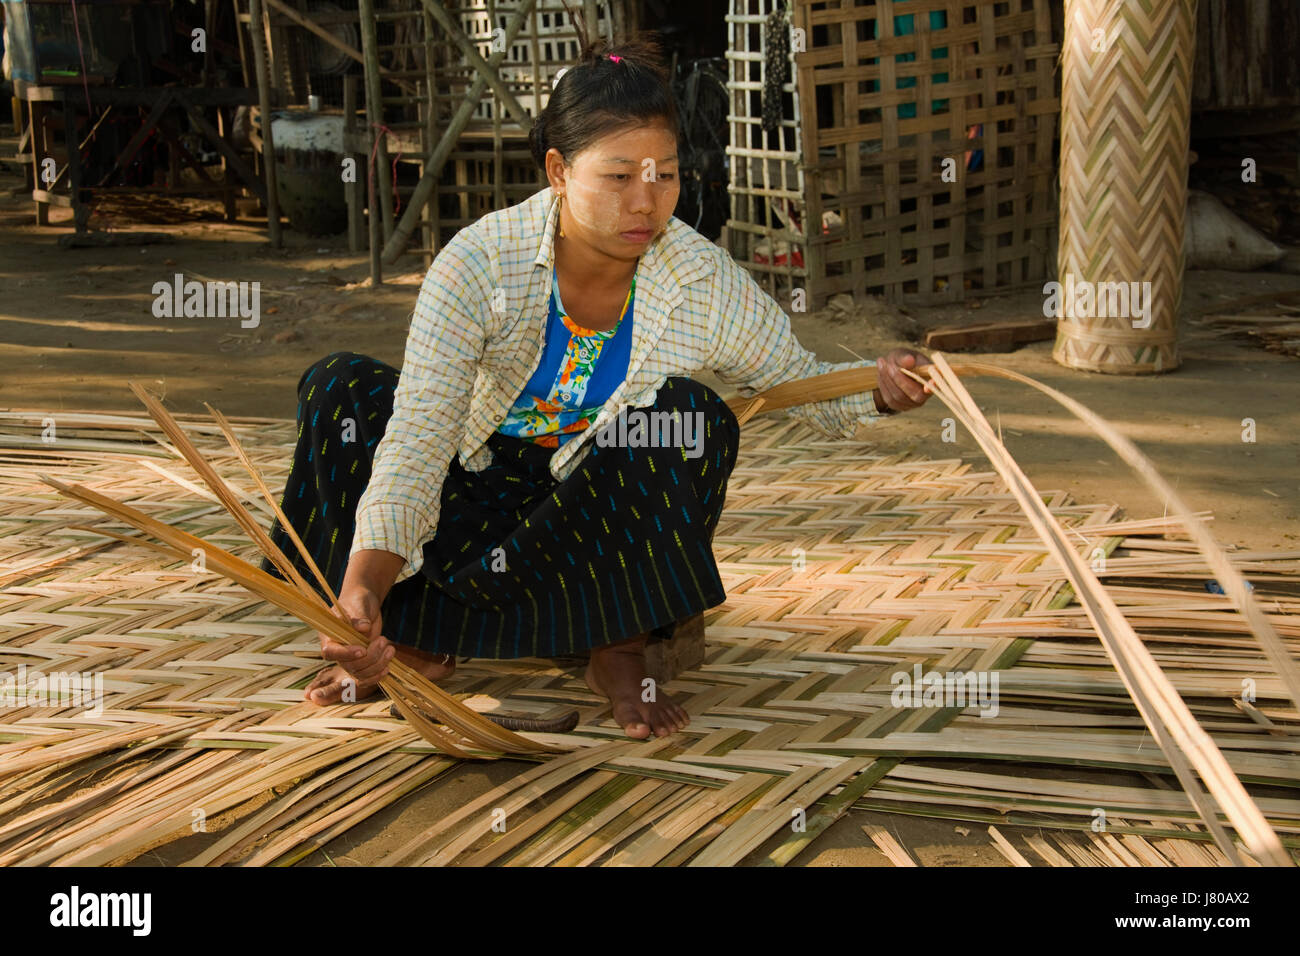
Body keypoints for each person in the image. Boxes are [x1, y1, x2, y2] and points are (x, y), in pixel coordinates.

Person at [265, 37, 934, 740]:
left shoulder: (696, 276)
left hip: (577, 520)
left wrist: (881, 389)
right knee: (341, 388)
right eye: (618, 177)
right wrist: (364, 583)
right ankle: (396, 627)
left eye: (666, 176)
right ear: (558, 170)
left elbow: (794, 380)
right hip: (467, 494)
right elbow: (420, 436)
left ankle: (616, 646)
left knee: (691, 419)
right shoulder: (481, 262)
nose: (647, 202)